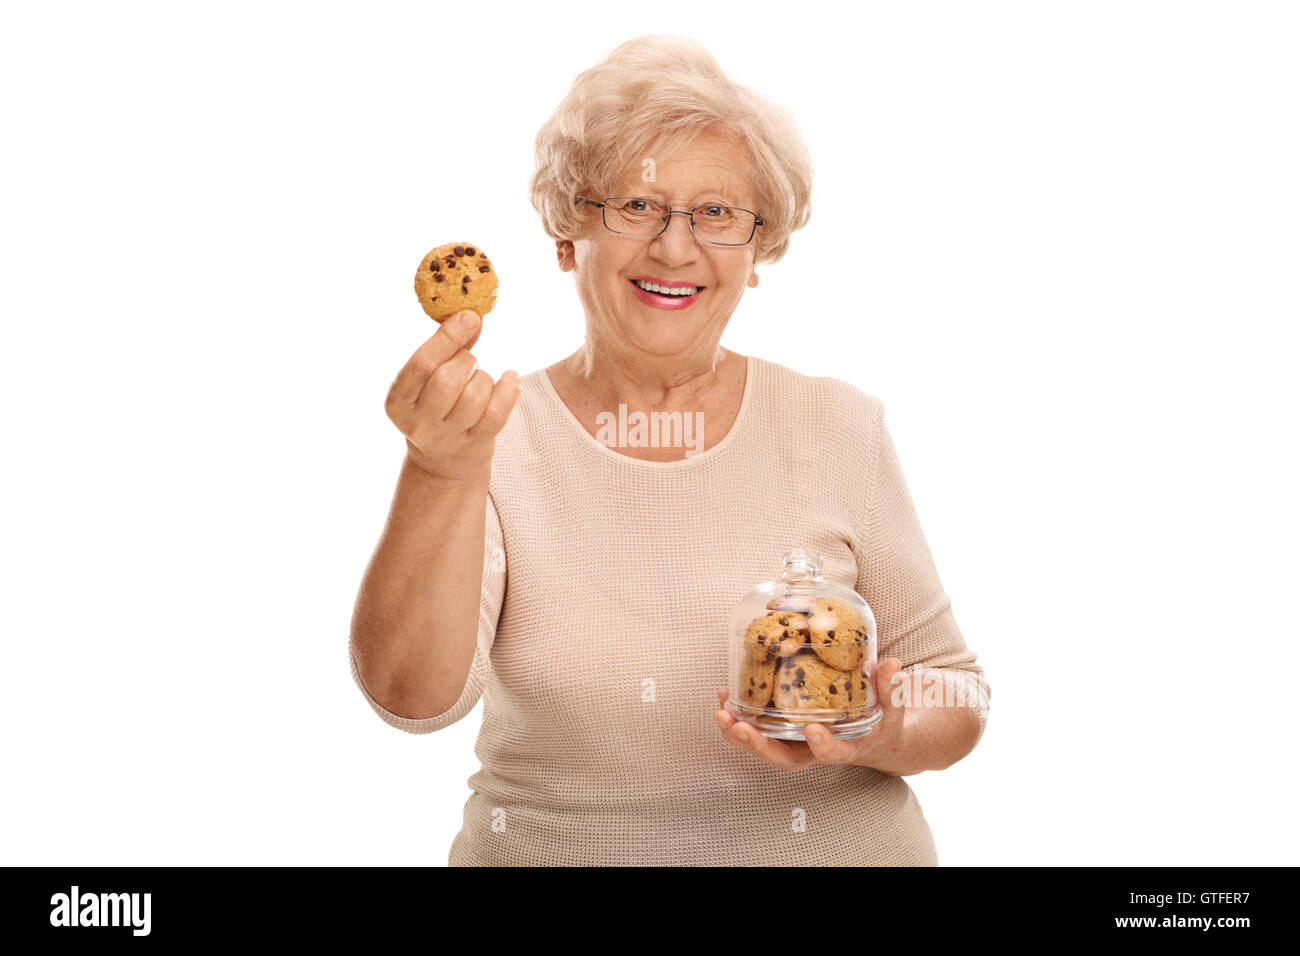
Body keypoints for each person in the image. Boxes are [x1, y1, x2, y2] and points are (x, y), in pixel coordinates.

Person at [348, 34, 990, 866]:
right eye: (636, 206)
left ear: (757, 251)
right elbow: (413, 701)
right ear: (566, 233)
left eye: (717, 213)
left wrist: (867, 728)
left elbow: (957, 690)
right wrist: (441, 468)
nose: (676, 247)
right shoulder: (489, 429)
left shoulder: (839, 424)